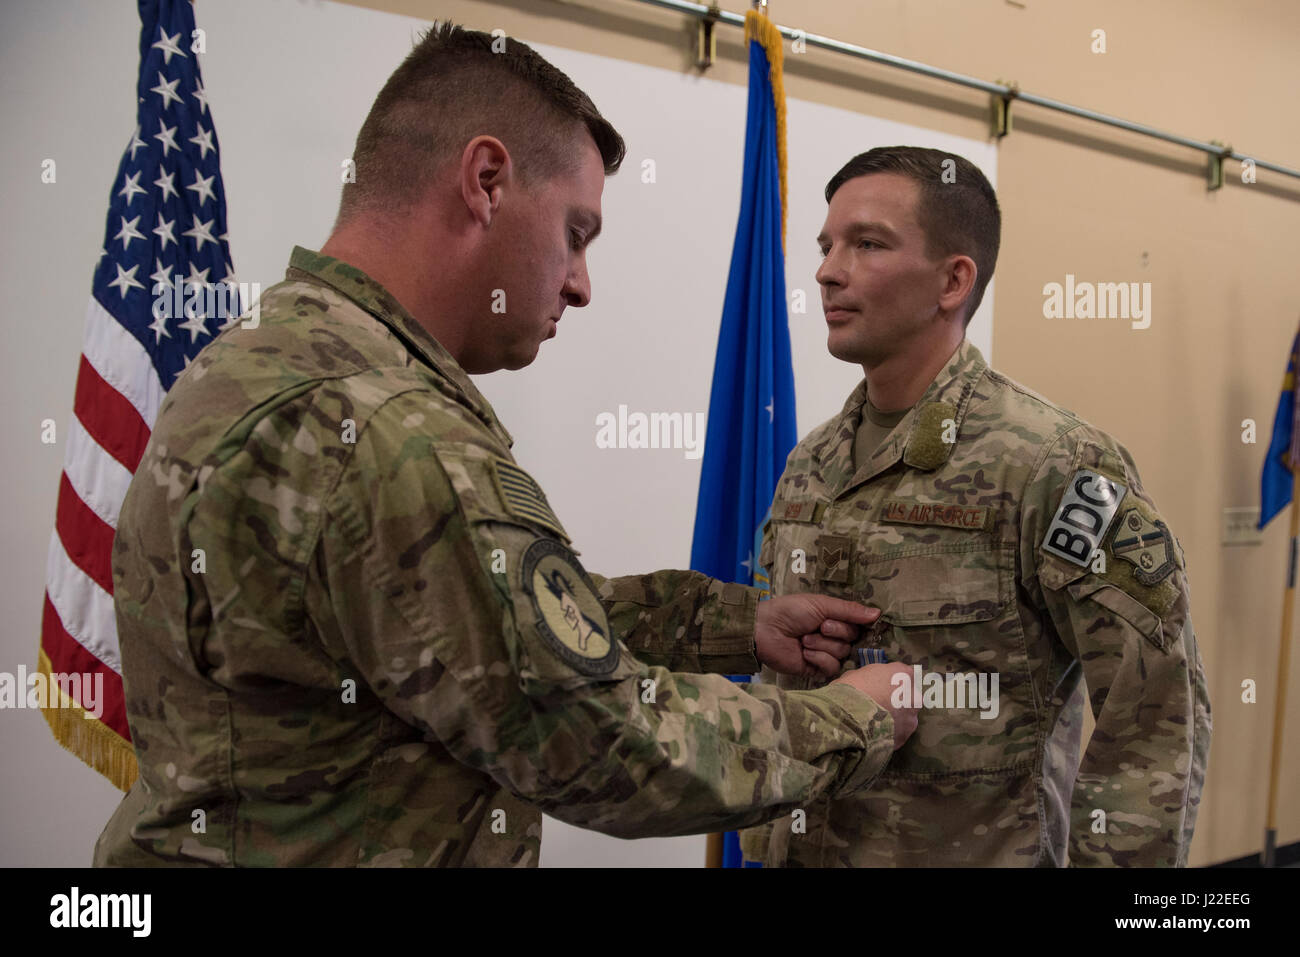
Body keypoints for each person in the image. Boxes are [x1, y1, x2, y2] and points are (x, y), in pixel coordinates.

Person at [92, 23, 920, 868]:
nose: (580, 284)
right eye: (576, 232)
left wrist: (743, 626)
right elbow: (600, 741)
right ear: (486, 181)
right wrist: (853, 716)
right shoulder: (388, 428)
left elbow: (456, 615)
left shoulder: (261, 356)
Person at [739, 146, 1211, 867]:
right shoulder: (812, 464)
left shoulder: (1051, 461)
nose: (828, 270)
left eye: (866, 244)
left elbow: (1153, 711)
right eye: (826, 245)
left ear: (953, 280)